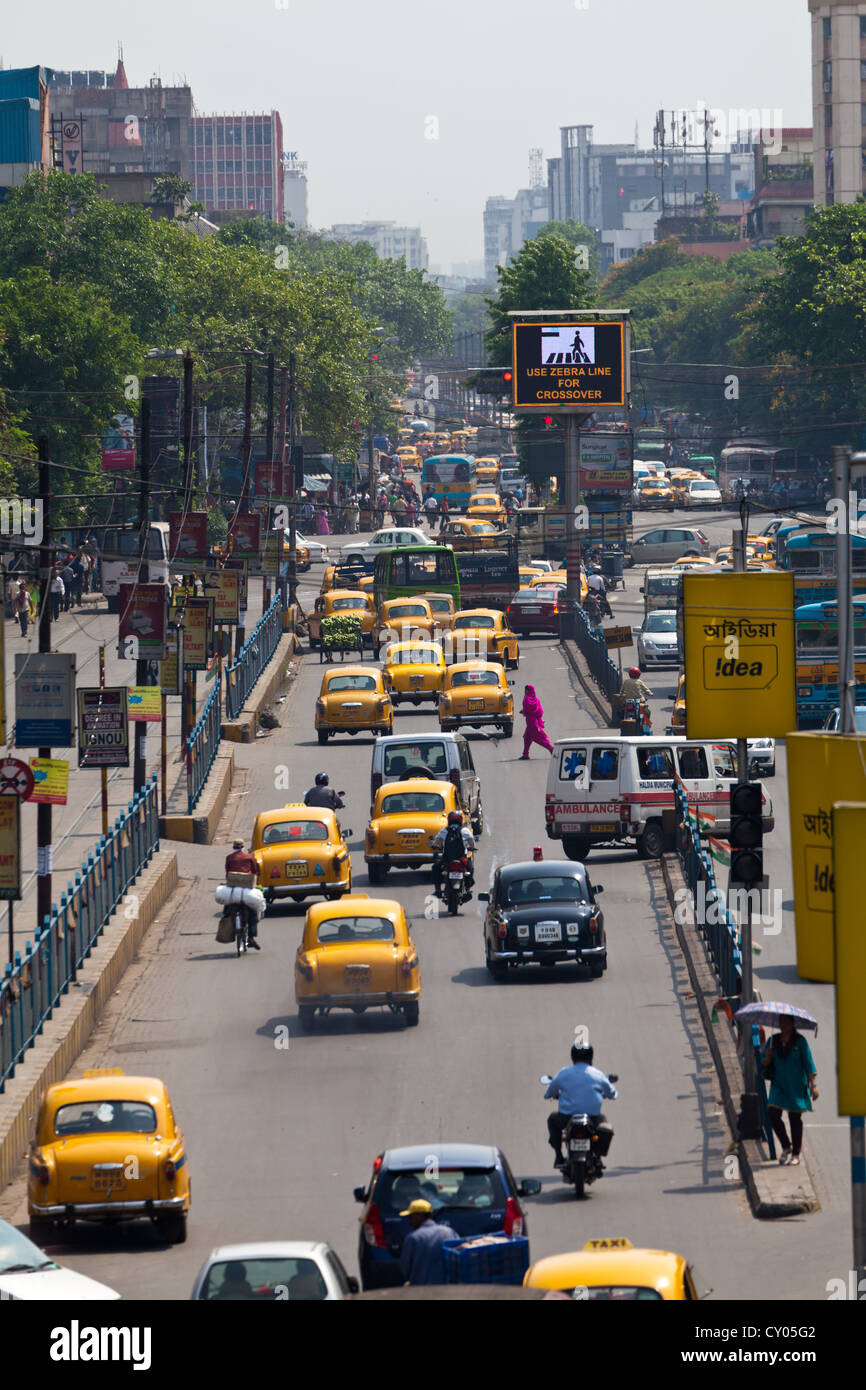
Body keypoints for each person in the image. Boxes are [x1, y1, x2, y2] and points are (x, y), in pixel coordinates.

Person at [544, 1044, 617, 1169]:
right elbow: (612, 1094)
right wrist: (606, 1094)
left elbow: (549, 1093)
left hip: (566, 1118)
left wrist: (555, 1095)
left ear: (572, 1057)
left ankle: (558, 1155)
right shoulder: (598, 1074)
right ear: (591, 1057)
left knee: (552, 1119)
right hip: (593, 1118)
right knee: (604, 1127)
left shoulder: (564, 1073)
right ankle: (598, 1158)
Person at [762, 1017, 818, 1166]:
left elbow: (808, 1063)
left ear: (792, 1024)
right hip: (779, 1085)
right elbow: (764, 1063)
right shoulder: (773, 1041)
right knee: (772, 1113)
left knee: (795, 1119)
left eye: (786, 1022)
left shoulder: (800, 1042)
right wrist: (767, 1057)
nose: (783, 1025)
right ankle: (786, 1146)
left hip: (796, 1086)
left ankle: (796, 1154)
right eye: (781, 1022)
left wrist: (813, 1085)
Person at [399, 1200, 460, 1286]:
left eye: (411, 1217)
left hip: (420, 1290)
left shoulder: (413, 1238)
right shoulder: (449, 1232)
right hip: (447, 1288)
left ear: (418, 1216)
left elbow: (405, 1269)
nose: (409, 1221)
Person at [224, 839, 261, 949]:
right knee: (253, 913)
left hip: (233, 888)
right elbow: (255, 872)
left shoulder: (229, 858)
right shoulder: (249, 857)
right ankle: (251, 938)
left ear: (233, 847)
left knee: (227, 909)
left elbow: (227, 873)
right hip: (247, 888)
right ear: (243, 847)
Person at [431, 809, 475, 895]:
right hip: (462, 859)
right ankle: (468, 888)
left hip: (447, 860)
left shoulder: (444, 831)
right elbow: (471, 840)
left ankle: (438, 890)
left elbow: (436, 841)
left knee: (435, 868)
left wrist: (434, 845)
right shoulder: (465, 830)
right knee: (470, 869)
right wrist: (472, 847)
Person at [520, 684, 554, 759]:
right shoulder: (536, 699)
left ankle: (551, 748)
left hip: (531, 722)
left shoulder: (527, 699)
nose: (525, 692)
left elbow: (527, 709)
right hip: (533, 721)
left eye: (526, 690)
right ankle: (525, 754)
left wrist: (524, 711)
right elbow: (538, 710)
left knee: (538, 738)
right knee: (527, 737)